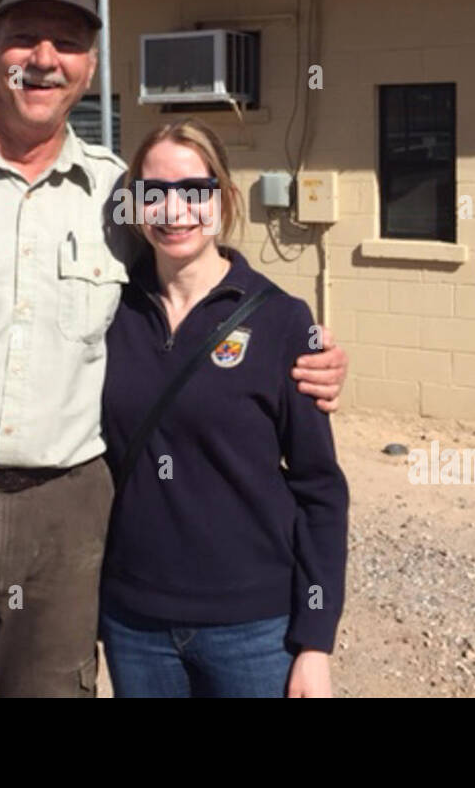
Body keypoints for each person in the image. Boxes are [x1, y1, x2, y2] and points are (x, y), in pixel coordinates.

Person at [0, 0, 349, 697]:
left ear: (90, 65)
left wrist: (303, 351)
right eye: (25, 36)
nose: (44, 59)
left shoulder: (117, 197)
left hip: (68, 525)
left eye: (66, 43)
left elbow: (200, 276)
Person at [98, 119, 349, 698]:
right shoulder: (110, 314)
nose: (174, 209)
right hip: (135, 624)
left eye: (194, 189)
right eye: (153, 192)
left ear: (224, 198)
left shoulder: (283, 321)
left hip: (254, 628)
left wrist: (315, 642)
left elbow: (319, 489)